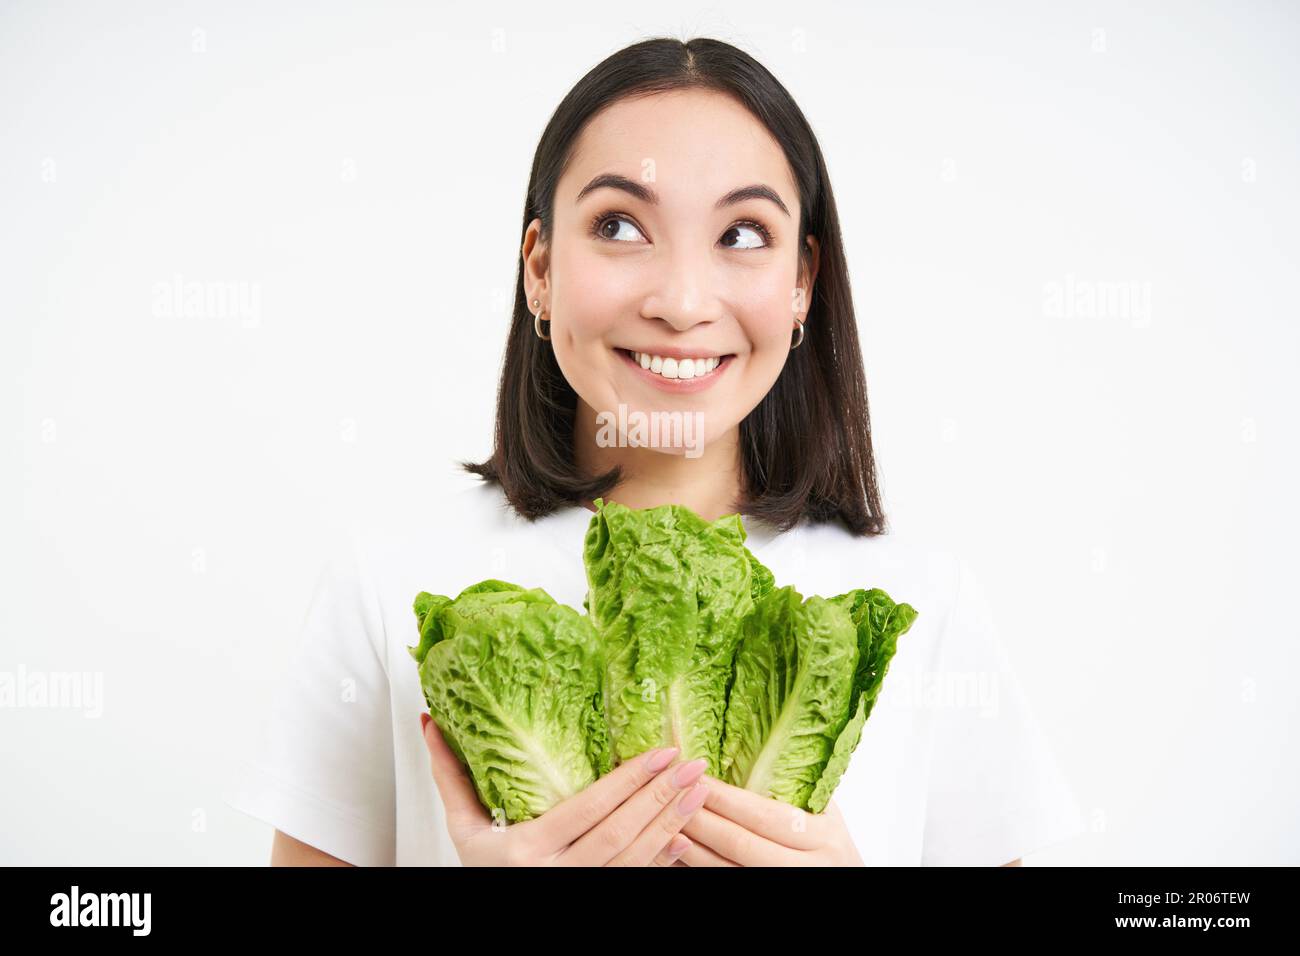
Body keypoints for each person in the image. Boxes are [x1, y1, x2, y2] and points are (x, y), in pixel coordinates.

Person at [224, 36, 1085, 866]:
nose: (681, 301)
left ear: (802, 284)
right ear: (540, 268)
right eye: (621, 226)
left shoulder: (926, 604)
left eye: (742, 234)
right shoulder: (387, 584)